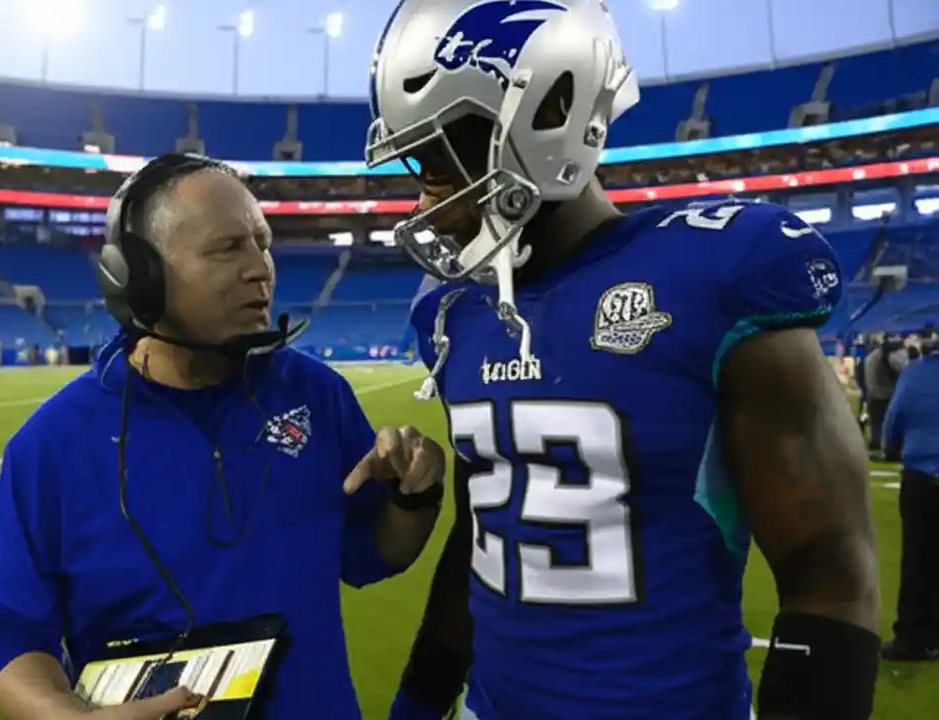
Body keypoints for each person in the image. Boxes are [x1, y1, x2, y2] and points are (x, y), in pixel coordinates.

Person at [365, 2, 880, 718]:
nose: (426, 192)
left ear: (551, 114)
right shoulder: (455, 306)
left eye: (444, 153)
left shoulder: (714, 275)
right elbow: (486, 525)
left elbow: (830, 574)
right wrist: (421, 697)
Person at [0, 153, 446, 720]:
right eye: (227, 248)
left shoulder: (318, 395)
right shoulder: (51, 444)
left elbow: (370, 555)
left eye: (262, 243)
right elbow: (0, 624)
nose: (260, 267)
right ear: (138, 277)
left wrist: (415, 494)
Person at [882, 336, 939, 661]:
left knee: (917, 559)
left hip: (921, 477)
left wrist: (891, 446)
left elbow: (893, 422)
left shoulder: (914, 374)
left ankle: (913, 639)